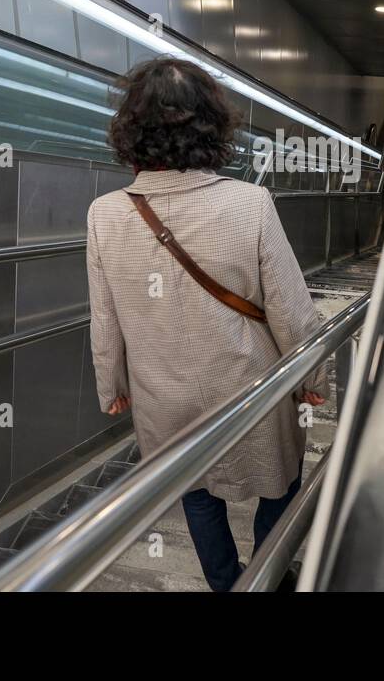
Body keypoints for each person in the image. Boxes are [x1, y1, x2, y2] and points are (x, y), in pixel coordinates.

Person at [86, 57, 327, 591]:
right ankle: (267, 575)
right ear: (211, 126)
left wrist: (112, 384)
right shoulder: (251, 204)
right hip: (248, 391)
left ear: (130, 130)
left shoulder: (105, 213)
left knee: (194, 490)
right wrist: (312, 379)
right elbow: (290, 310)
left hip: (160, 396)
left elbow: (103, 316)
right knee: (281, 484)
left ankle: (225, 583)